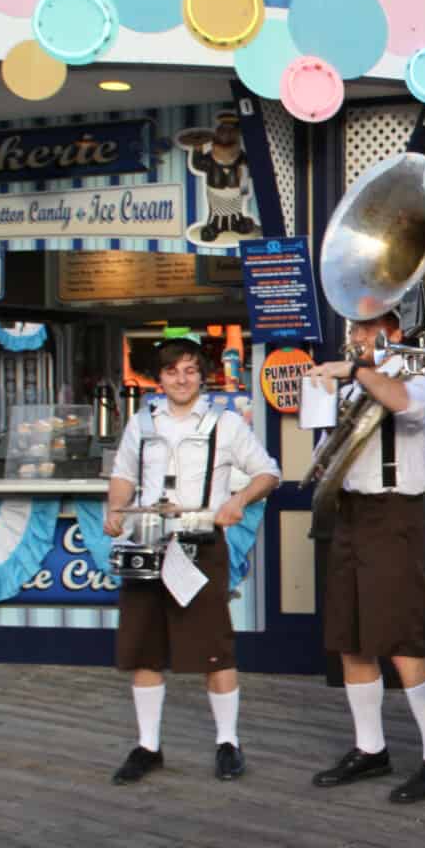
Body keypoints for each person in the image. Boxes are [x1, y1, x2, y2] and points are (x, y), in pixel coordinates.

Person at [104, 329, 280, 785]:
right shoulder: (142, 423)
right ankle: (148, 747)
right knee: (144, 649)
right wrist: (115, 509)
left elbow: (268, 473)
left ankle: (228, 742)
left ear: (203, 376)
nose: (181, 380)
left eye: (190, 371)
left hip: (200, 544)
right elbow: (123, 476)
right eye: (172, 371)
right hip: (148, 543)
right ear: (158, 378)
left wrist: (239, 500)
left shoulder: (226, 424)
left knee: (213, 648)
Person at [304, 311, 425, 804]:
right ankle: (370, 748)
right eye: (354, 329)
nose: (355, 337)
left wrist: (353, 370)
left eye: (366, 330)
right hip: (350, 513)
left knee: (402, 639)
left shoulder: (419, 379)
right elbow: (327, 445)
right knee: (350, 639)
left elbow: (402, 405)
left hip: (394, 515)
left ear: (394, 334)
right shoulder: (354, 385)